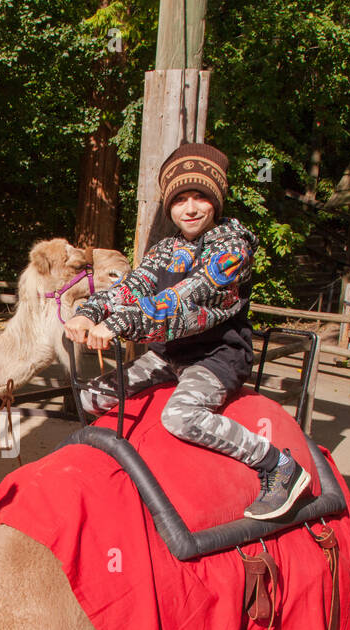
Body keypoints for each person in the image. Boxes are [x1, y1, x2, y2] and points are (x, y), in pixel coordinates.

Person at [63, 142, 310, 520]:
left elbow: (181, 300)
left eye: (199, 197)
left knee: (181, 416)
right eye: (180, 200)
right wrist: (87, 312)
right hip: (171, 353)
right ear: (170, 207)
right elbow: (133, 287)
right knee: (87, 398)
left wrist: (115, 325)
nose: (190, 208)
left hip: (217, 355)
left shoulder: (233, 248)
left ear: (216, 200)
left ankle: (277, 464)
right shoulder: (167, 248)